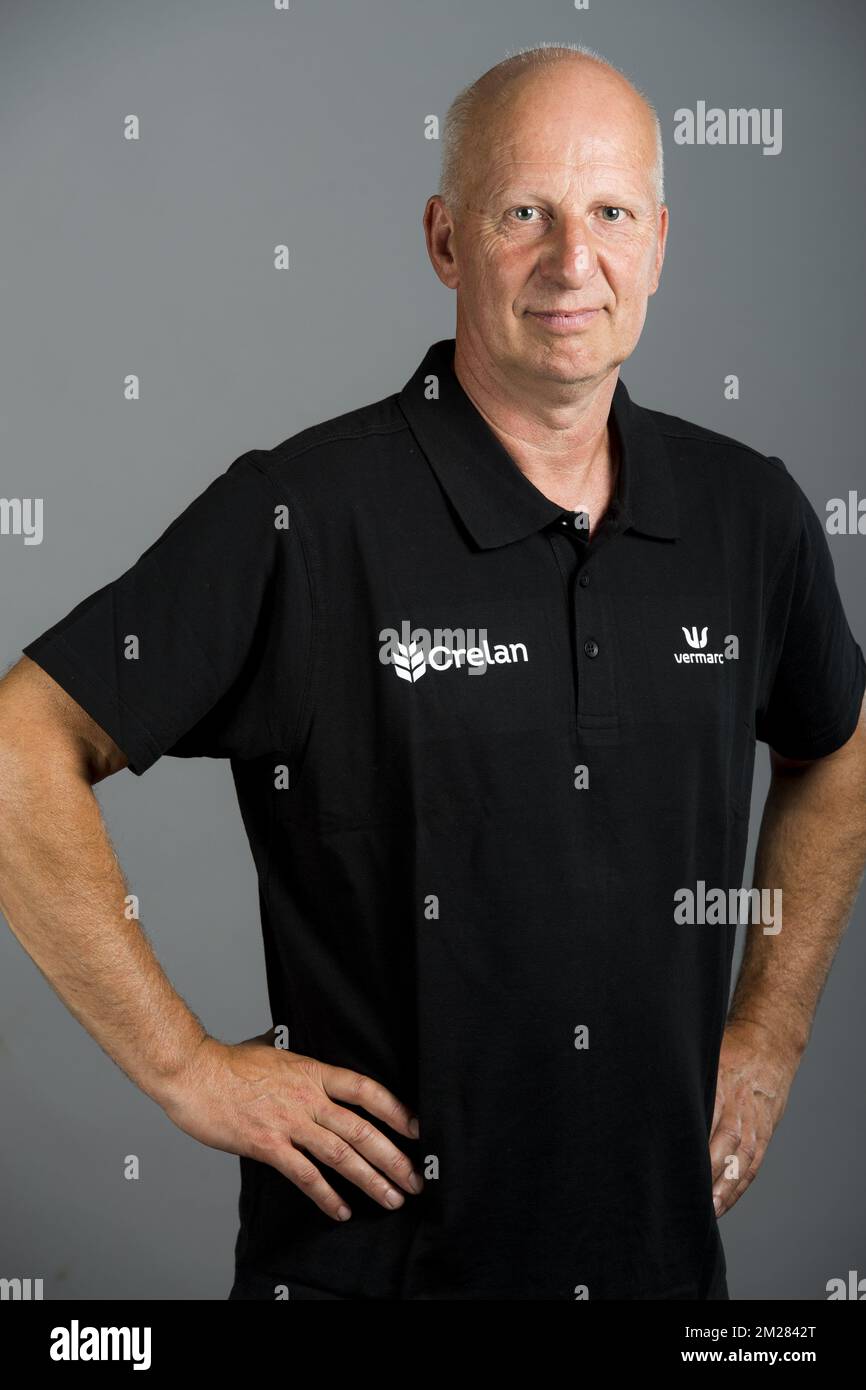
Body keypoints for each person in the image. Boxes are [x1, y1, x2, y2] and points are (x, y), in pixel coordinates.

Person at [2, 42, 865, 1301]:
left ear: (660, 240)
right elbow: (21, 746)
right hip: (378, 1274)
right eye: (525, 213)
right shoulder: (305, 515)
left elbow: (830, 747)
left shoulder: (749, 515)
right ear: (445, 240)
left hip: (660, 1275)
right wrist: (185, 1066)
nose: (575, 263)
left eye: (611, 213)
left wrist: (769, 1031)